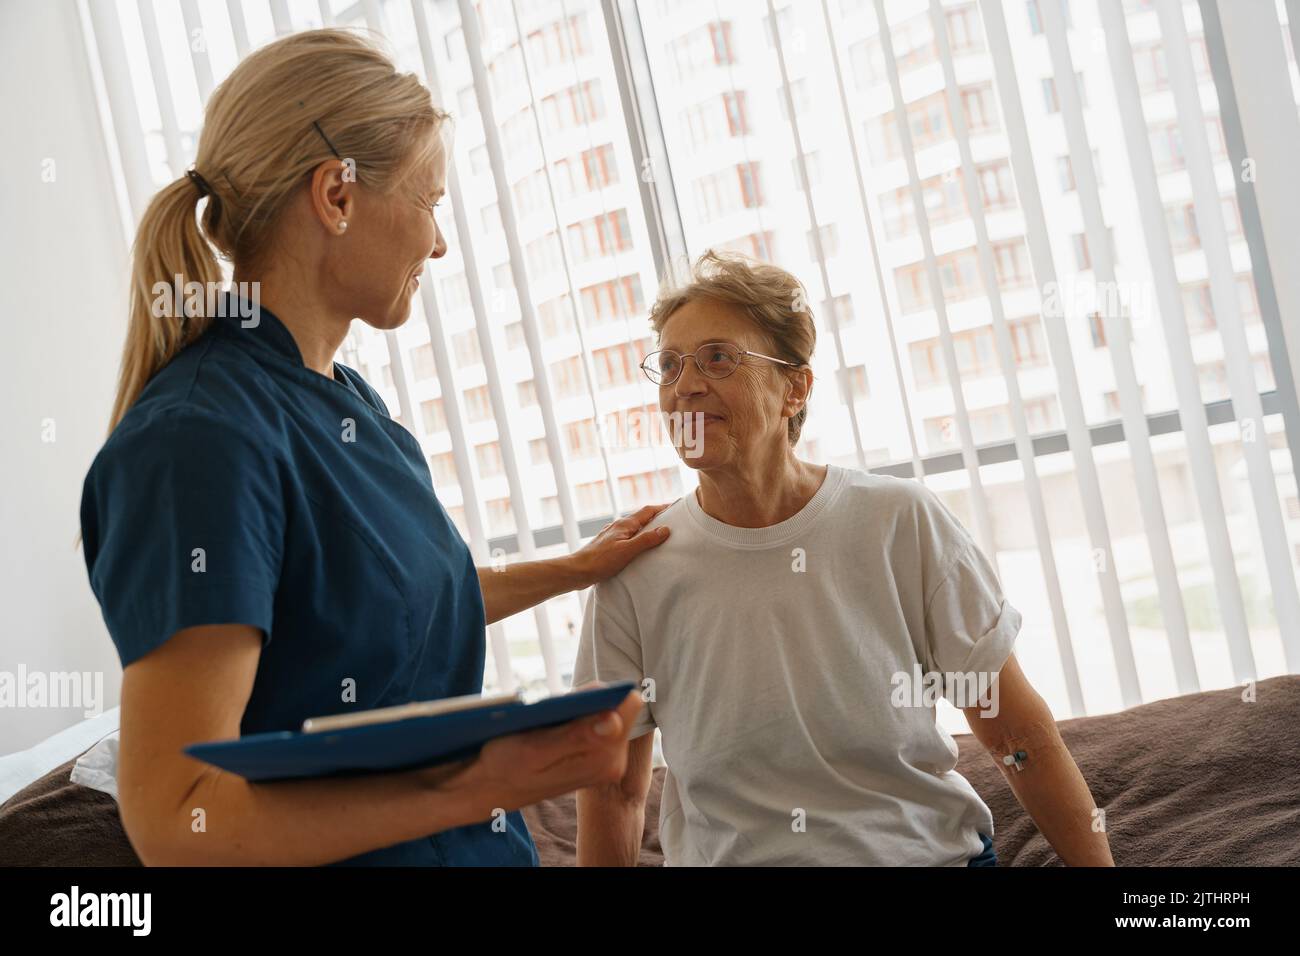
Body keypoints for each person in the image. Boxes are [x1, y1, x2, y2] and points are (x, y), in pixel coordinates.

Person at [79, 28, 666, 866]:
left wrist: (577, 568)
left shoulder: (350, 406)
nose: (438, 244)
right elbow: (179, 821)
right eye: (430, 202)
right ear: (338, 196)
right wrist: (490, 773)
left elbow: (383, 608)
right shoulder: (199, 442)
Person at [573, 250, 1115, 866]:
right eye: (668, 365)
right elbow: (615, 787)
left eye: (718, 358)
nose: (685, 385)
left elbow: (1017, 734)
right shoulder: (633, 567)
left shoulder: (898, 520)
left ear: (795, 387)